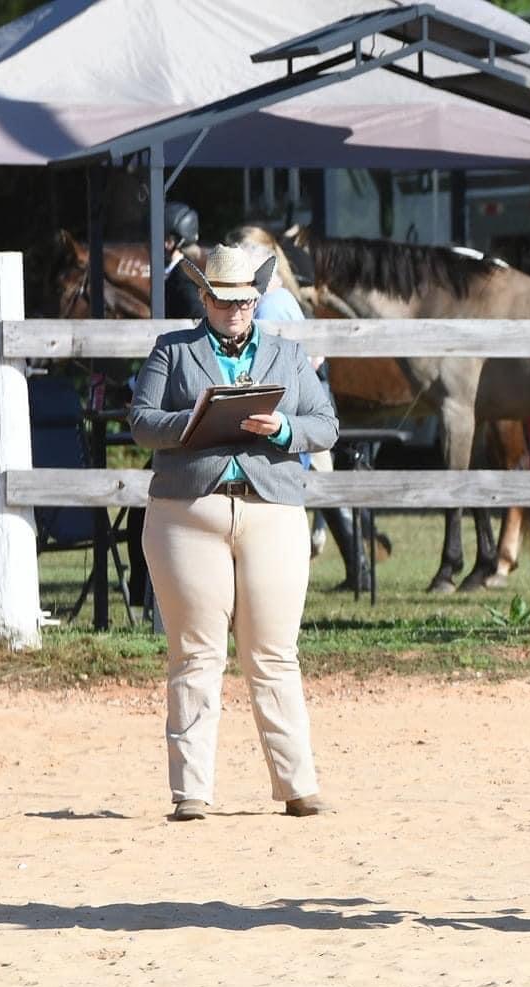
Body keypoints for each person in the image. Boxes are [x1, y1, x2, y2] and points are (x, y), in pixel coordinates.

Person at [129, 243, 340, 821]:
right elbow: (142, 423)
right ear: (205, 298)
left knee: (274, 653)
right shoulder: (171, 352)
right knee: (196, 653)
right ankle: (190, 792)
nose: (237, 311)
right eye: (225, 302)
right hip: (187, 514)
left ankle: (299, 787)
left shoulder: (287, 355)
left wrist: (282, 429)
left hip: (271, 510)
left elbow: (326, 427)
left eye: (247, 301)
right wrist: (194, 420)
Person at [224, 227, 373, 593]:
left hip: (298, 408)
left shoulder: (273, 306)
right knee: (320, 484)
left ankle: (353, 569)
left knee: (316, 486)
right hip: (308, 403)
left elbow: (299, 359)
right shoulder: (284, 300)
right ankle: (357, 568)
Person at [160, 201, 208, 322]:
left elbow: (199, 315)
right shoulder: (176, 271)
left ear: (172, 242)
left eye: (163, 238)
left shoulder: (183, 278)